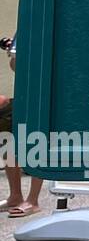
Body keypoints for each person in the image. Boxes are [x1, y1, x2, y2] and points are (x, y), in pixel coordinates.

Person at [0, 35, 41, 218]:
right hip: (23, 94)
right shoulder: (24, 27)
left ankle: (33, 201)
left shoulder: (47, 24)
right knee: (8, 142)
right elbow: (16, 68)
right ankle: (15, 196)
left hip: (40, 93)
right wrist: (13, 52)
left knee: (36, 144)